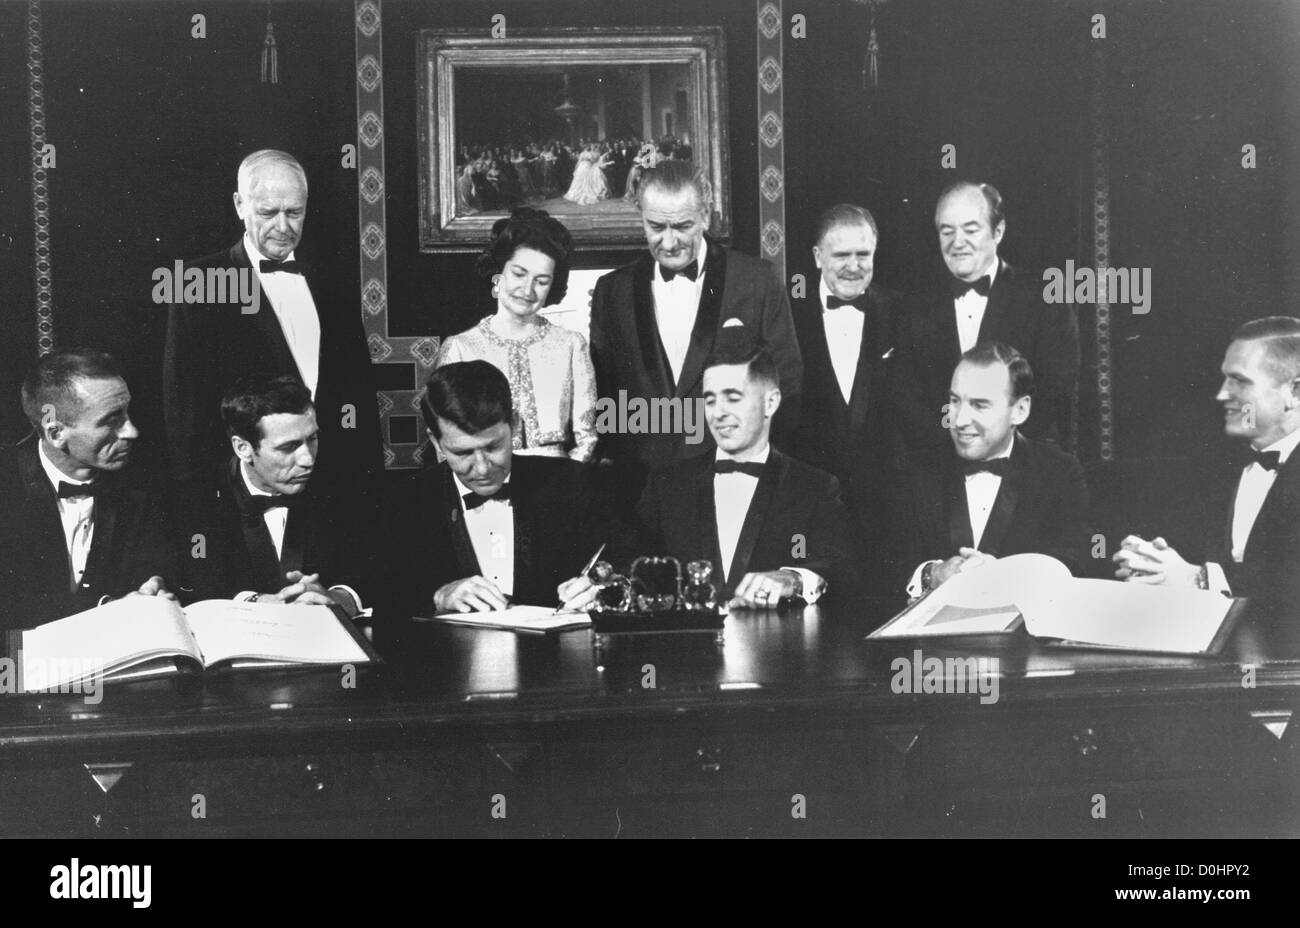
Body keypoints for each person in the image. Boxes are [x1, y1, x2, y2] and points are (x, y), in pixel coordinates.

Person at [163, 149, 381, 495]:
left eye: (294, 212)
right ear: (239, 205)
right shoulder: (199, 282)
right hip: (243, 490)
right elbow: (186, 410)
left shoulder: (332, 278)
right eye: (268, 212)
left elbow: (358, 392)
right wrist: (202, 496)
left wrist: (369, 482)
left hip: (335, 486)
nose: (283, 227)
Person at [590, 159, 803, 489]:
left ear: (706, 215)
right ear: (641, 218)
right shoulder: (611, 291)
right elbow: (604, 396)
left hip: (733, 479)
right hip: (642, 489)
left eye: (683, 226)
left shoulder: (757, 280)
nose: (670, 242)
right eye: (656, 227)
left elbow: (786, 383)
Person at [634, 337, 857, 608]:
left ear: (771, 403)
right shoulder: (667, 484)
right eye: (710, 400)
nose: (718, 413)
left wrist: (793, 579)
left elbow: (838, 566)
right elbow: (632, 565)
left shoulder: (814, 486)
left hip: (776, 649)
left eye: (733, 398)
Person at [391, 361, 628, 616]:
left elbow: (633, 568)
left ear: (514, 424)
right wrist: (437, 597)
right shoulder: (406, 500)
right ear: (436, 442)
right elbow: (382, 593)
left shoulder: (572, 483)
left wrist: (606, 587)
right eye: (462, 452)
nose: (482, 469)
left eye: (493, 447)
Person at [1113, 317, 1300, 606]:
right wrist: (1149, 561)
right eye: (1226, 378)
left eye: (1239, 381)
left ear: (1295, 392)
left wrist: (1198, 580)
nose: (1222, 394)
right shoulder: (1216, 464)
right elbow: (1183, 550)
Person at [893, 181, 1079, 463]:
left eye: (970, 230)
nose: (957, 242)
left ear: (998, 231)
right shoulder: (915, 304)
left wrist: (994, 445)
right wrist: (957, 444)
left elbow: (1054, 391)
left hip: (1023, 465)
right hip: (940, 467)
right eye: (947, 231)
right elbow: (908, 397)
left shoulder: (1045, 298)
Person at [888, 342, 1091, 599]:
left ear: (1020, 410)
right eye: (954, 401)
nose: (959, 420)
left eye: (979, 405)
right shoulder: (914, 469)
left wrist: (1009, 576)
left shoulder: (1059, 472)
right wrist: (932, 574)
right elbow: (883, 562)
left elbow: (1076, 559)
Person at [0, 350, 177, 627]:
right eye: (112, 420)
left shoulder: (146, 480)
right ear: (56, 433)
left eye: (127, 413)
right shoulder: (6, 482)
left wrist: (154, 586)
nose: (132, 432)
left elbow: (164, 565)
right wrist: (105, 609)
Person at [169, 374, 367, 616]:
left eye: (312, 439)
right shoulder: (195, 498)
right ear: (243, 448)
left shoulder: (344, 487)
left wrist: (339, 599)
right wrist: (253, 602)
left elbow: (374, 569)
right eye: (288, 447)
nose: (308, 459)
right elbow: (191, 584)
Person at [434, 208, 597, 462]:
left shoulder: (571, 344)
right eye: (519, 274)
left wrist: (567, 485)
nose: (528, 290)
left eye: (541, 281)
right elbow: (445, 440)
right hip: (484, 480)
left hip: (561, 485)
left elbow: (587, 439)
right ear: (498, 275)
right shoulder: (460, 348)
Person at [791, 204, 901, 577]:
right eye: (842, 255)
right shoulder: (786, 313)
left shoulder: (901, 311)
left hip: (886, 512)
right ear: (818, 257)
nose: (854, 266)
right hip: (810, 513)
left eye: (863, 254)